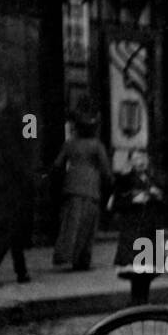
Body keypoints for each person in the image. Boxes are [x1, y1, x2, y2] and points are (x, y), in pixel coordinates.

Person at [51, 105, 112, 271]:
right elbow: (106, 169)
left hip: (71, 187)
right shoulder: (97, 145)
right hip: (91, 188)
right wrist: (110, 183)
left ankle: (65, 255)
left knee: (71, 223)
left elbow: (57, 165)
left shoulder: (70, 144)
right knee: (87, 225)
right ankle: (82, 259)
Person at [0, 93, 33, 287]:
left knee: (14, 227)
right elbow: (26, 148)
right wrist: (29, 175)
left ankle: (22, 271)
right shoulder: (25, 120)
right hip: (12, 183)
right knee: (11, 228)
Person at [110, 149, 168, 305]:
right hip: (133, 230)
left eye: (143, 158)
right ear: (131, 162)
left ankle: (144, 299)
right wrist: (133, 200)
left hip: (150, 228)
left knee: (148, 268)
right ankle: (136, 300)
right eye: (136, 159)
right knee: (135, 268)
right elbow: (115, 203)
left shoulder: (154, 179)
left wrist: (158, 196)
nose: (140, 162)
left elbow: (166, 205)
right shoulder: (125, 180)